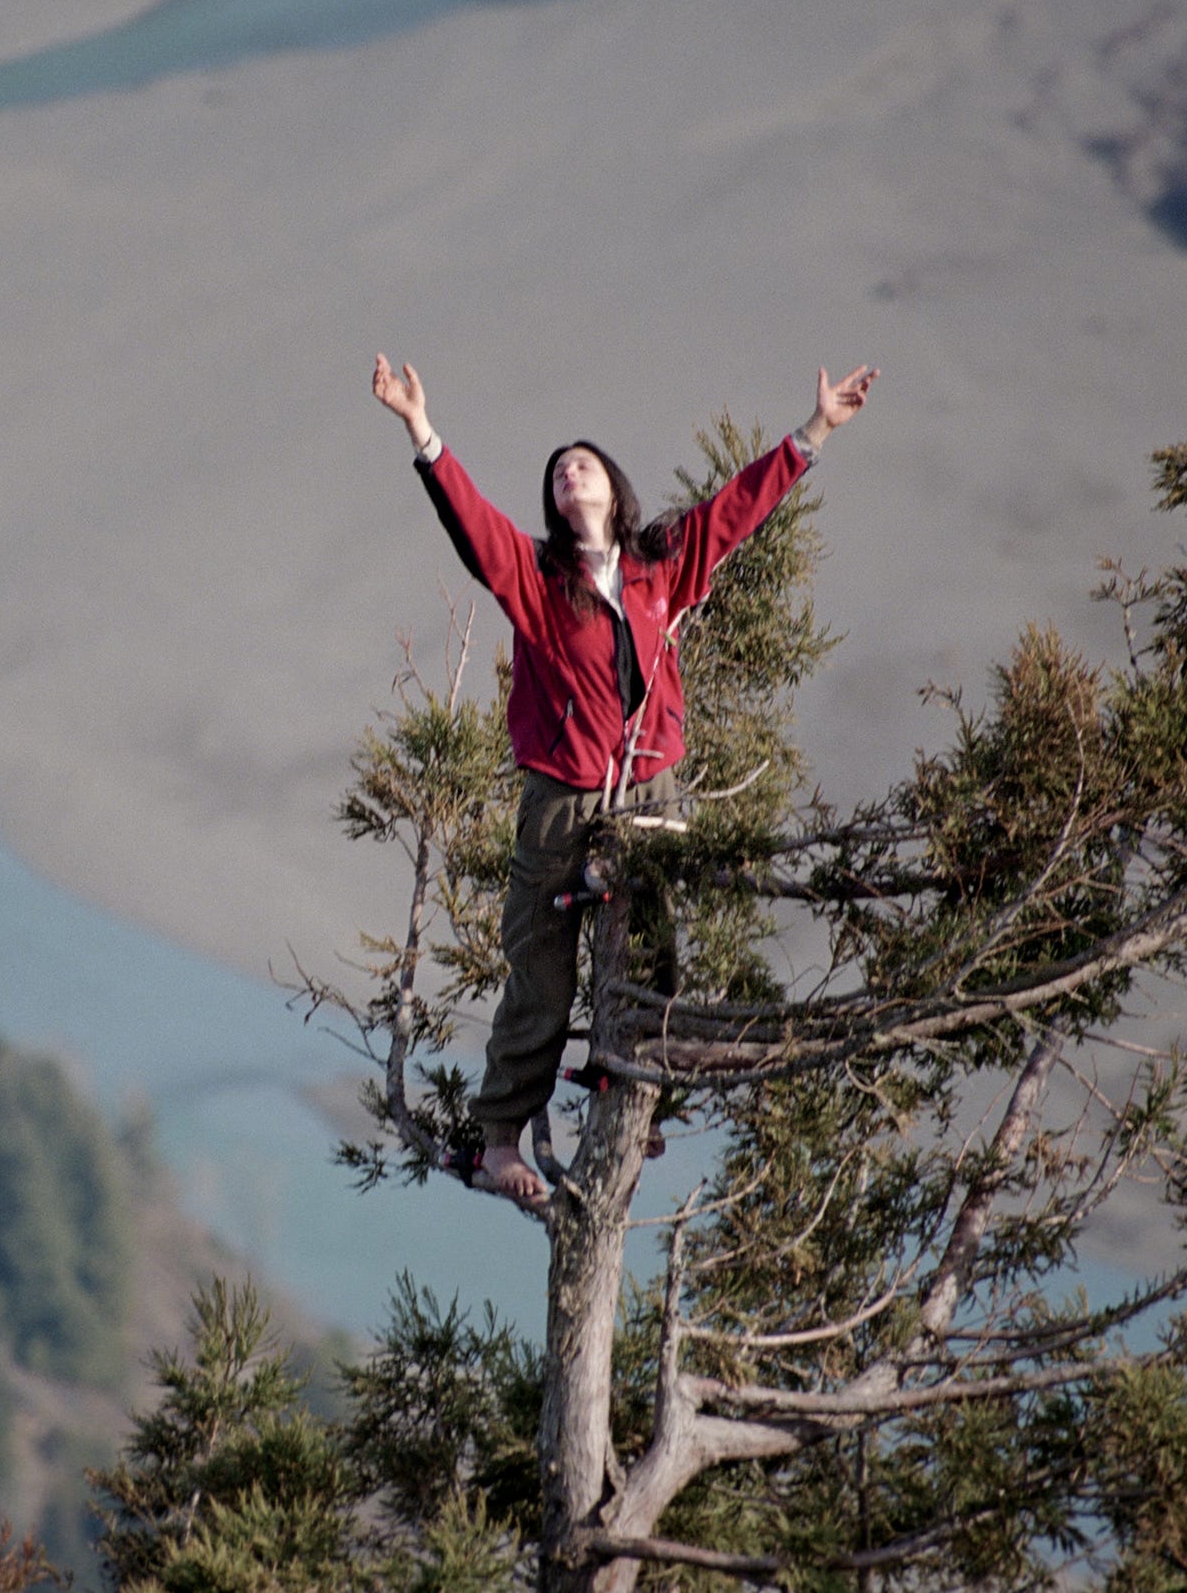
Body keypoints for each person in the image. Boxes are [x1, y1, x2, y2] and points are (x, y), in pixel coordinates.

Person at [370, 352, 874, 1208]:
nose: (571, 474)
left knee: (650, 959)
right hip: (562, 796)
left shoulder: (662, 561)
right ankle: (498, 1142)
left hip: (651, 792)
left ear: (613, 489)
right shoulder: (536, 579)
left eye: (585, 465)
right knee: (540, 969)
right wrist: (422, 430)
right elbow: (474, 529)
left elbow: (734, 512)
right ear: (556, 502)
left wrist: (815, 430)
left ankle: (632, 1111)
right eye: (560, 473)